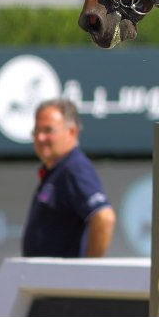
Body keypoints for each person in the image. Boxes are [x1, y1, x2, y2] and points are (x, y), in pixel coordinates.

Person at [22, 99, 115, 258]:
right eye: (36, 131)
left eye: (48, 130)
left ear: (72, 132)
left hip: (63, 281)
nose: (40, 138)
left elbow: (104, 217)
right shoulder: (58, 169)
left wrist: (88, 270)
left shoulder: (74, 167)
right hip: (48, 280)